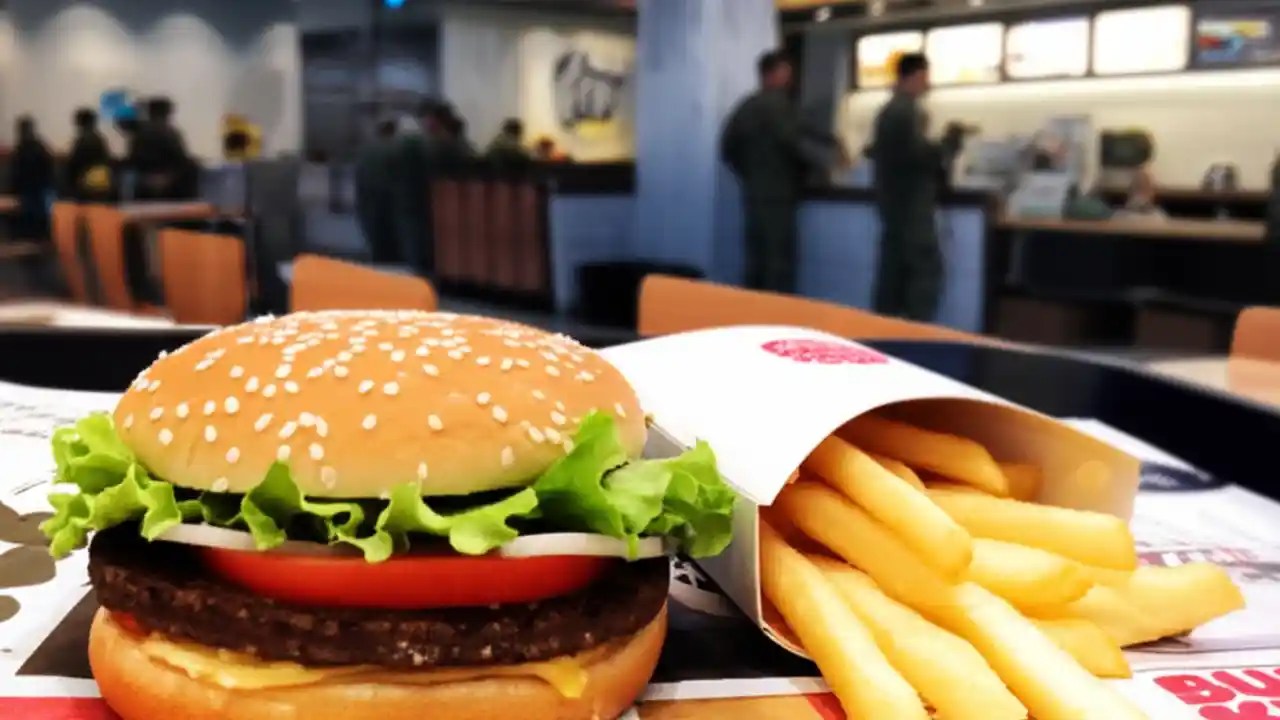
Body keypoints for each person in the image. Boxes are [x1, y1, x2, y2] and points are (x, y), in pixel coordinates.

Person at [720, 50, 821, 294]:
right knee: (779, 265)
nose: (790, 78)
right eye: (786, 73)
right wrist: (822, 166)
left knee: (756, 262)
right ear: (773, 74)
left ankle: (752, 314)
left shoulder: (745, 107)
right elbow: (797, 145)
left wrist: (750, 175)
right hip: (780, 197)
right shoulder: (781, 106)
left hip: (754, 195)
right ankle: (776, 315)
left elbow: (727, 149)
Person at [871, 53, 944, 322]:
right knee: (924, 273)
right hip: (912, 207)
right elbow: (917, 156)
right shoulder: (906, 111)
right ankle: (916, 334)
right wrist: (946, 147)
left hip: (893, 206)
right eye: (925, 77)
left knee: (892, 275)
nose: (927, 83)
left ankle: (883, 330)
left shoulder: (889, 110)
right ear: (915, 76)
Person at [128, 97, 194, 200]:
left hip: (145, 182)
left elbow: (133, 159)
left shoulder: (139, 133)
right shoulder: (170, 133)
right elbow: (180, 159)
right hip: (169, 183)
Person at [355, 119, 402, 264]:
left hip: (369, 199)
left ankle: (378, 261)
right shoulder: (396, 150)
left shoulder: (366, 150)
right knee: (389, 238)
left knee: (374, 238)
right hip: (389, 200)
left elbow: (359, 177)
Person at [8, 116, 54, 239]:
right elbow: (48, 171)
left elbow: (16, 175)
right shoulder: (41, 147)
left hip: (26, 193)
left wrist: (12, 191)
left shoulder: (20, 150)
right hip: (41, 192)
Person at [65, 108, 114, 201]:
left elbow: (74, 163)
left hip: (87, 183)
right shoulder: (100, 139)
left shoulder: (82, 140)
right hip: (103, 181)